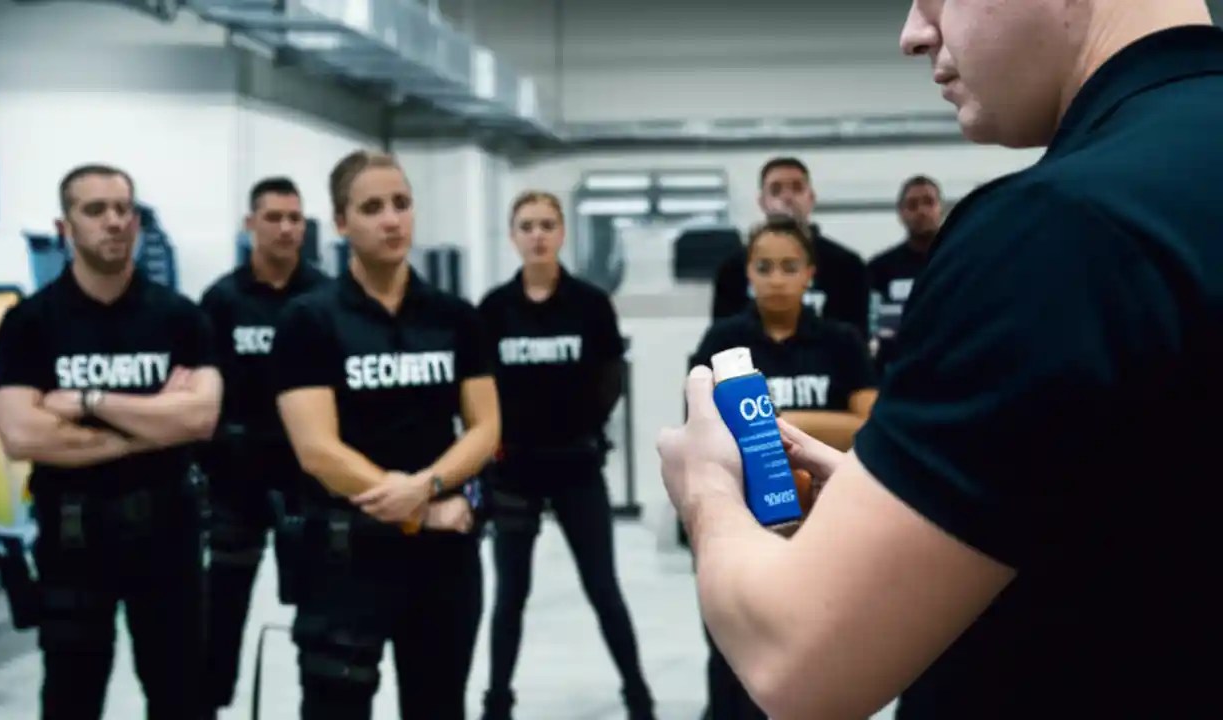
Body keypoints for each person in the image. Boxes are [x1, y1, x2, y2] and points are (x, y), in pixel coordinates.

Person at [657, 2, 1223, 719]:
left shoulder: (1056, 228)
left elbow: (796, 662)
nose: (913, 33)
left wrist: (706, 486)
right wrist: (915, 498)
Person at [270, 149, 498, 720]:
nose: (392, 220)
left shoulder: (454, 317)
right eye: (372, 208)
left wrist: (427, 486)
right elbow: (317, 450)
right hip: (346, 557)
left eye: (401, 203)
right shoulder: (309, 319)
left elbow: (486, 427)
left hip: (443, 559)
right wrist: (420, 510)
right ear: (341, 223)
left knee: (439, 707)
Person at [0, 164, 222, 719]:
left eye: (124, 210)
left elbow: (200, 418)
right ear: (64, 227)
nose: (114, 222)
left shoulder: (180, 317)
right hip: (74, 537)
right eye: (95, 210)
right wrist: (150, 429)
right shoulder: (29, 322)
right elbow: (21, 434)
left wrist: (89, 401)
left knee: (182, 694)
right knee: (71, 696)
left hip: (169, 533)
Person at [688, 216, 877, 720]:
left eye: (789, 267)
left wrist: (777, 421)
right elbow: (702, 429)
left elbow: (869, 425)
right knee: (733, 653)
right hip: (742, 517)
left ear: (810, 273)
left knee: (815, 649)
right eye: (764, 266)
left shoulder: (841, 341)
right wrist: (821, 427)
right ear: (748, 272)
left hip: (823, 520)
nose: (776, 278)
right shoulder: (723, 340)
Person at [477, 191, 655, 720]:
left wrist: (583, 427)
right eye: (527, 226)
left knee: (603, 588)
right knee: (510, 595)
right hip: (514, 472)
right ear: (513, 236)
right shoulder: (494, 309)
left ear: (561, 233)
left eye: (546, 225)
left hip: (577, 467)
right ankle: (497, 702)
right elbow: (480, 387)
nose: (537, 235)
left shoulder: (590, 304)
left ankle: (638, 697)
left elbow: (610, 378)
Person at [197, 177, 330, 715]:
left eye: (295, 218)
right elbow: (201, 389)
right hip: (236, 479)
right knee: (220, 612)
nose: (286, 228)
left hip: (309, 476)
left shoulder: (324, 297)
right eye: (273, 217)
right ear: (250, 224)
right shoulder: (221, 301)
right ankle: (210, 703)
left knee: (320, 614)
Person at [710, 158, 870, 339]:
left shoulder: (847, 265)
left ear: (811, 198)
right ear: (762, 202)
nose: (787, 198)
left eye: (797, 188)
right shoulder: (733, 268)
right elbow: (722, 341)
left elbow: (856, 339)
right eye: (776, 190)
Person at [867, 175, 943, 374]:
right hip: (895, 368)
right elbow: (871, 325)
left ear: (941, 209)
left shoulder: (958, 260)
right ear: (901, 213)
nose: (921, 211)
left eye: (929, 202)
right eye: (912, 205)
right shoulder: (878, 268)